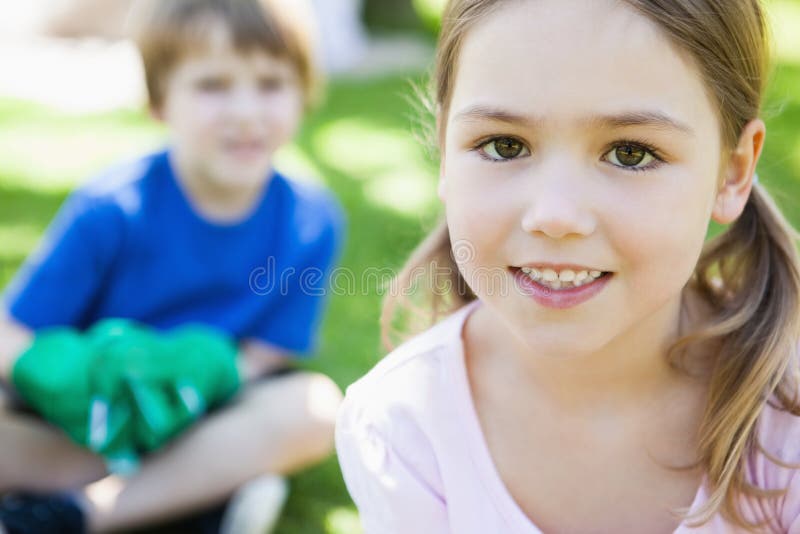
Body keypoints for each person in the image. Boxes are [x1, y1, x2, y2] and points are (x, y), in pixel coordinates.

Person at [335, 0, 800, 532]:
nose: (555, 216)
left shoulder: (787, 422)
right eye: (505, 145)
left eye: (630, 153)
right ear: (444, 151)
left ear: (733, 172)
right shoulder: (405, 430)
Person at [0, 0, 344, 532]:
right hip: (85, 417)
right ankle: (192, 492)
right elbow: (12, 332)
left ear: (304, 95)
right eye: (213, 85)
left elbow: (271, 350)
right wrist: (67, 373)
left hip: (202, 416)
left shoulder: (311, 220)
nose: (246, 112)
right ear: (160, 103)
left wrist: (214, 371)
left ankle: (78, 513)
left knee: (316, 409)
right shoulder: (112, 207)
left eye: (271, 84)